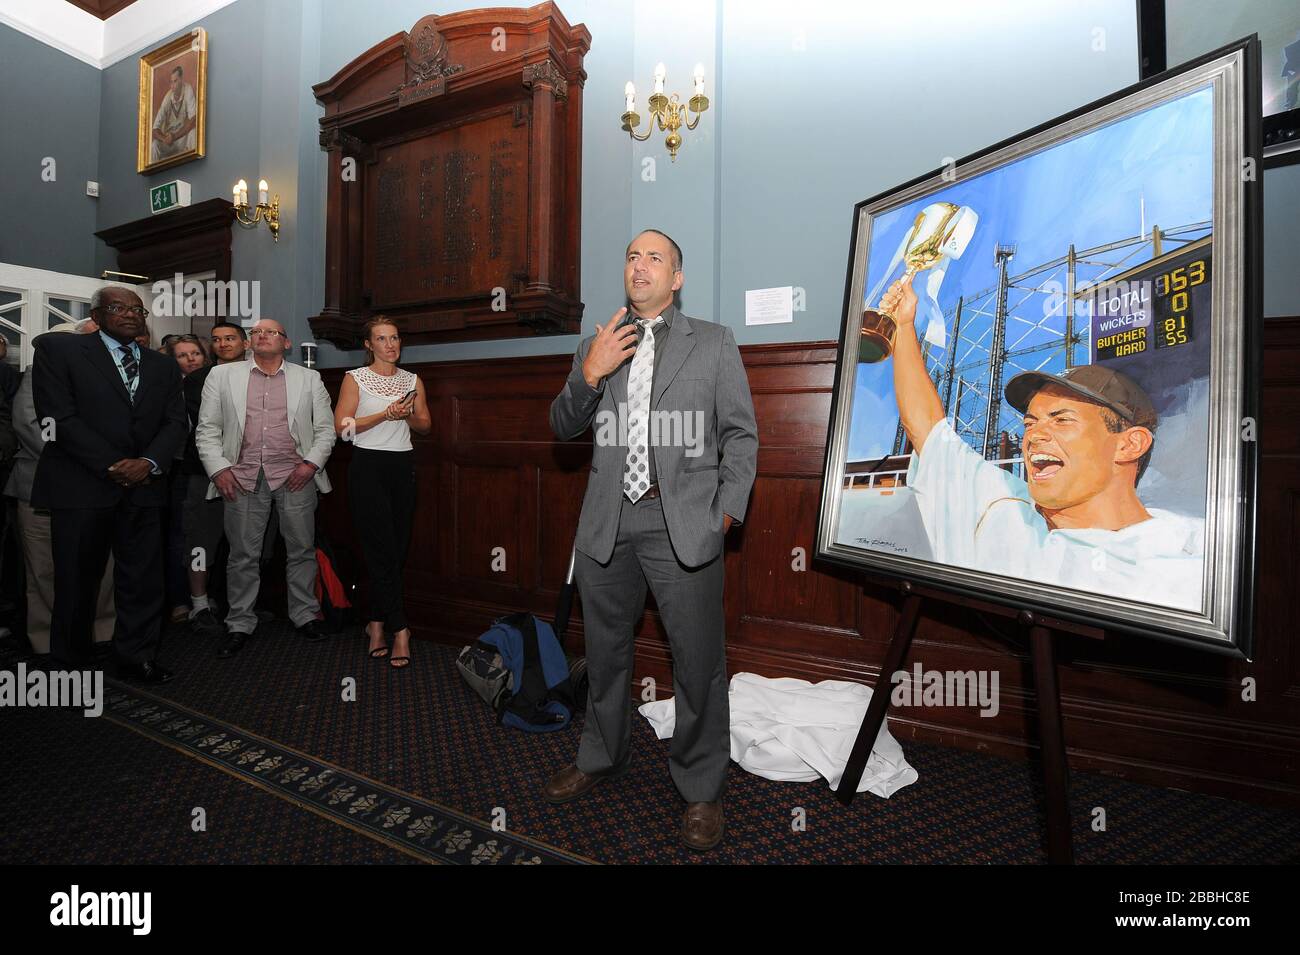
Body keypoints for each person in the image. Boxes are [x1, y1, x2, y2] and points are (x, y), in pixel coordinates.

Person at [544, 229, 758, 851]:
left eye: (654, 257)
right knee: (606, 655)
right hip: (607, 526)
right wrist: (590, 374)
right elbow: (562, 426)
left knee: (697, 663)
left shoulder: (714, 344)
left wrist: (725, 513)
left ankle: (700, 788)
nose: (639, 266)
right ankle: (601, 755)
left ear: (677, 277)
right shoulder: (598, 344)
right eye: (632, 256)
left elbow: (741, 437)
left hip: (683, 525)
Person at [881, 273, 1204, 610]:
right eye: (1030, 422)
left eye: (1061, 419)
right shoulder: (1005, 508)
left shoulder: (1187, 563)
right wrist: (904, 325)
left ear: (1129, 445)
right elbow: (926, 429)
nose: (1034, 434)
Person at [31, 287, 187, 682]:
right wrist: (113, 465)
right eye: (118, 308)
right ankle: (70, 667)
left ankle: (136, 657)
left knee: (143, 580)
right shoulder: (60, 352)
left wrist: (148, 463)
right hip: (82, 484)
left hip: (145, 487)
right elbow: (58, 418)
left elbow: (174, 423)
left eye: (138, 309)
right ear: (96, 316)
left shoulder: (163, 366)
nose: (131, 315)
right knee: (76, 579)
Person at [195, 318, 336, 658]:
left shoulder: (309, 379)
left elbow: (326, 431)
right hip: (241, 477)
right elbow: (207, 429)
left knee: (301, 550)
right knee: (243, 555)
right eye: (256, 332)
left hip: (295, 475)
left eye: (271, 331)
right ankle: (239, 623)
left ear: (286, 343)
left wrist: (310, 464)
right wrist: (219, 470)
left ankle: (304, 615)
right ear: (248, 342)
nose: (262, 336)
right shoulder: (221, 376)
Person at [4, 323, 118, 654]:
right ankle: (47, 638)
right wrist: (91, 461)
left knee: (103, 564)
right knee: (44, 566)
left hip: (99, 487)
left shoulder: (109, 376)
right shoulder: (37, 371)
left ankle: (101, 632)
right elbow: (30, 425)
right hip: (42, 487)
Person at [332, 318, 431, 668]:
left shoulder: (412, 380)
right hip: (367, 467)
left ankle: (375, 623)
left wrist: (404, 416)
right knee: (379, 549)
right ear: (369, 345)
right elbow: (342, 428)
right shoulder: (354, 378)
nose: (390, 344)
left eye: (394, 338)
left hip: (402, 467)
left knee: (396, 549)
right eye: (381, 339)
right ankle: (400, 629)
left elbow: (426, 424)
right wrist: (383, 414)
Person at [181, 321, 248, 635]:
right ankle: (199, 605)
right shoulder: (198, 379)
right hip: (206, 471)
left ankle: (242, 604)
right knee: (201, 541)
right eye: (217, 339)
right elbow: (207, 425)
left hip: (252, 473)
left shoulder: (263, 375)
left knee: (247, 543)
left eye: (230, 338)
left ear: (245, 343)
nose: (222, 343)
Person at [159, 335, 210, 623]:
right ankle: (180, 599)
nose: (191, 359)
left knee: (209, 536)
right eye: (182, 355)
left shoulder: (215, 383)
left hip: (211, 469)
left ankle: (208, 597)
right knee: (181, 535)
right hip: (179, 469)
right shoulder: (166, 389)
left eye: (195, 353)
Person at [150, 64, 198, 162]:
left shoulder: (187, 89)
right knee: (154, 145)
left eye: (175, 81)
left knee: (193, 133)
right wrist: (164, 139)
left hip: (182, 138)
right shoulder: (167, 98)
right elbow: (155, 129)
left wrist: (175, 136)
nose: (172, 85)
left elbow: (193, 119)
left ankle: (195, 165)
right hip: (170, 142)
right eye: (171, 82)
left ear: (181, 80)